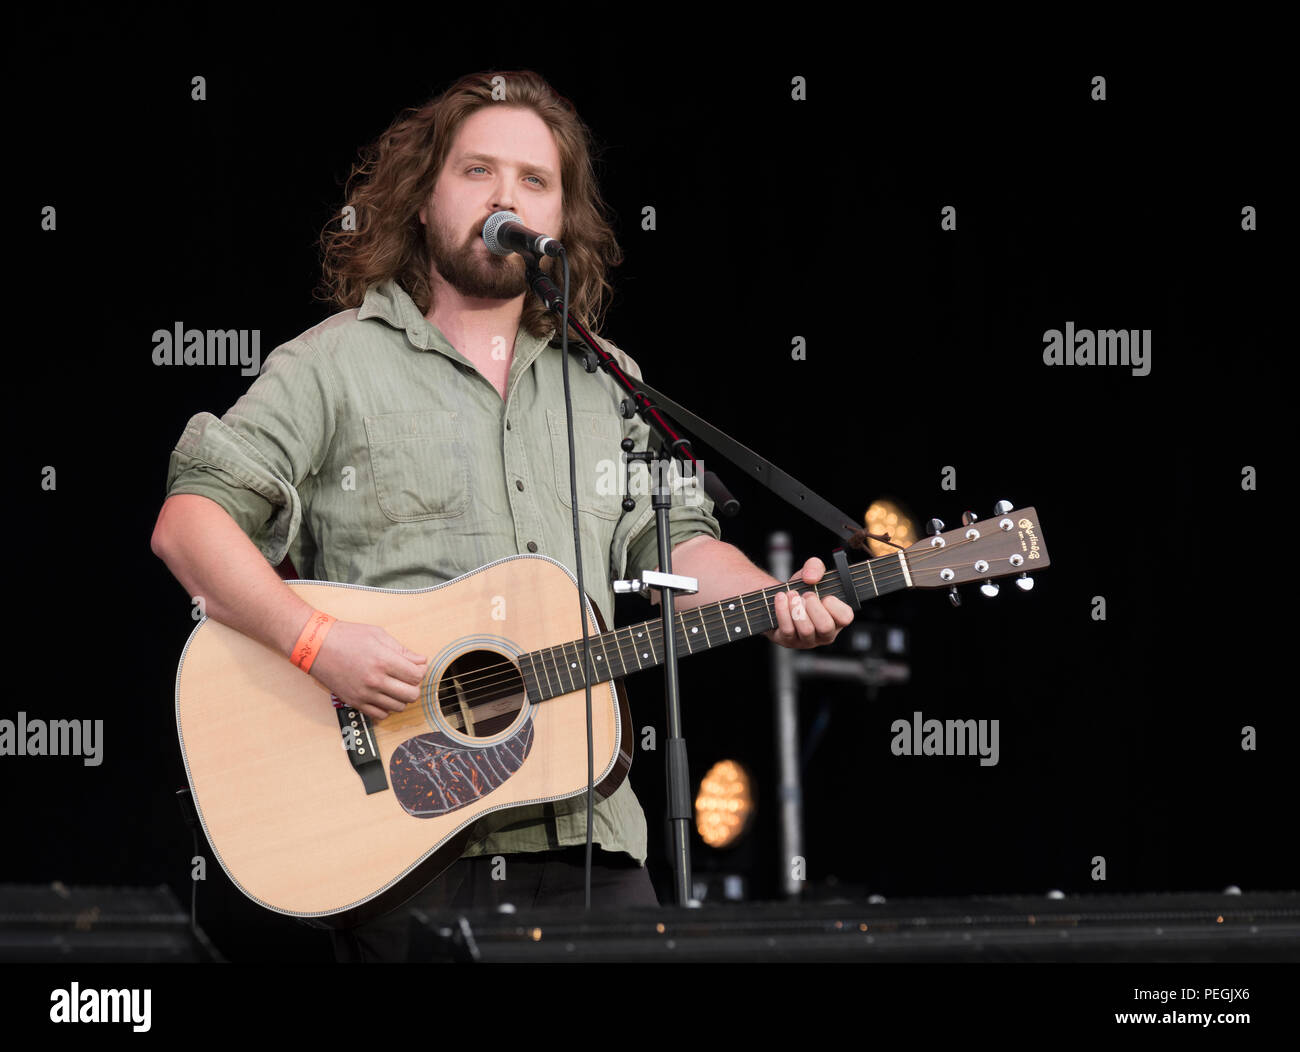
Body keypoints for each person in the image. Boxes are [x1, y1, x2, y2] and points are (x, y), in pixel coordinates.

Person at [150, 70, 854, 962]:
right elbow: (190, 524)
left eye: (534, 180)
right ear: (421, 199)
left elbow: (671, 547)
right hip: (408, 844)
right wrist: (317, 644)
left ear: (560, 219)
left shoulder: (605, 382)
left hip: (595, 833)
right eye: (477, 171)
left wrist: (771, 599)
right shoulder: (331, 368)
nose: (505, 197)